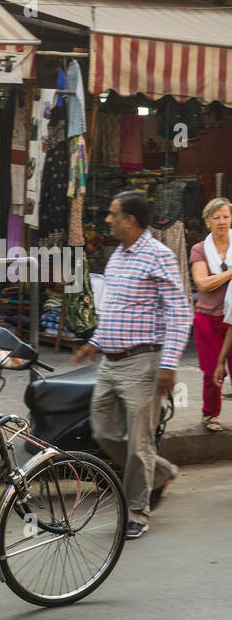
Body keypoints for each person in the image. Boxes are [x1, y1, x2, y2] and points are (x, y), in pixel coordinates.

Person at [71, 191, 190, 540]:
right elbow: (115, 311)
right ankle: (162, 470)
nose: (107, 220)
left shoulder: (159, 256)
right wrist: (93, 344)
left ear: (130, 221)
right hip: (110, 361)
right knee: (103, 431)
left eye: (112, 214)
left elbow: (180, 313)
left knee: (139, 444)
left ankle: (137, 511)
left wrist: (168, 365)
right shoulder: (118, 257)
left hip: (144, 363)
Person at [188, 197, 232, 431]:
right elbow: (203, 284)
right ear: (207, 222)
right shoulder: (199, 249)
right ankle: (210, 414)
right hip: (208, 318)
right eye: (216, 218)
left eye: (226, 216)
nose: (222, 221)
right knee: (212, 369)